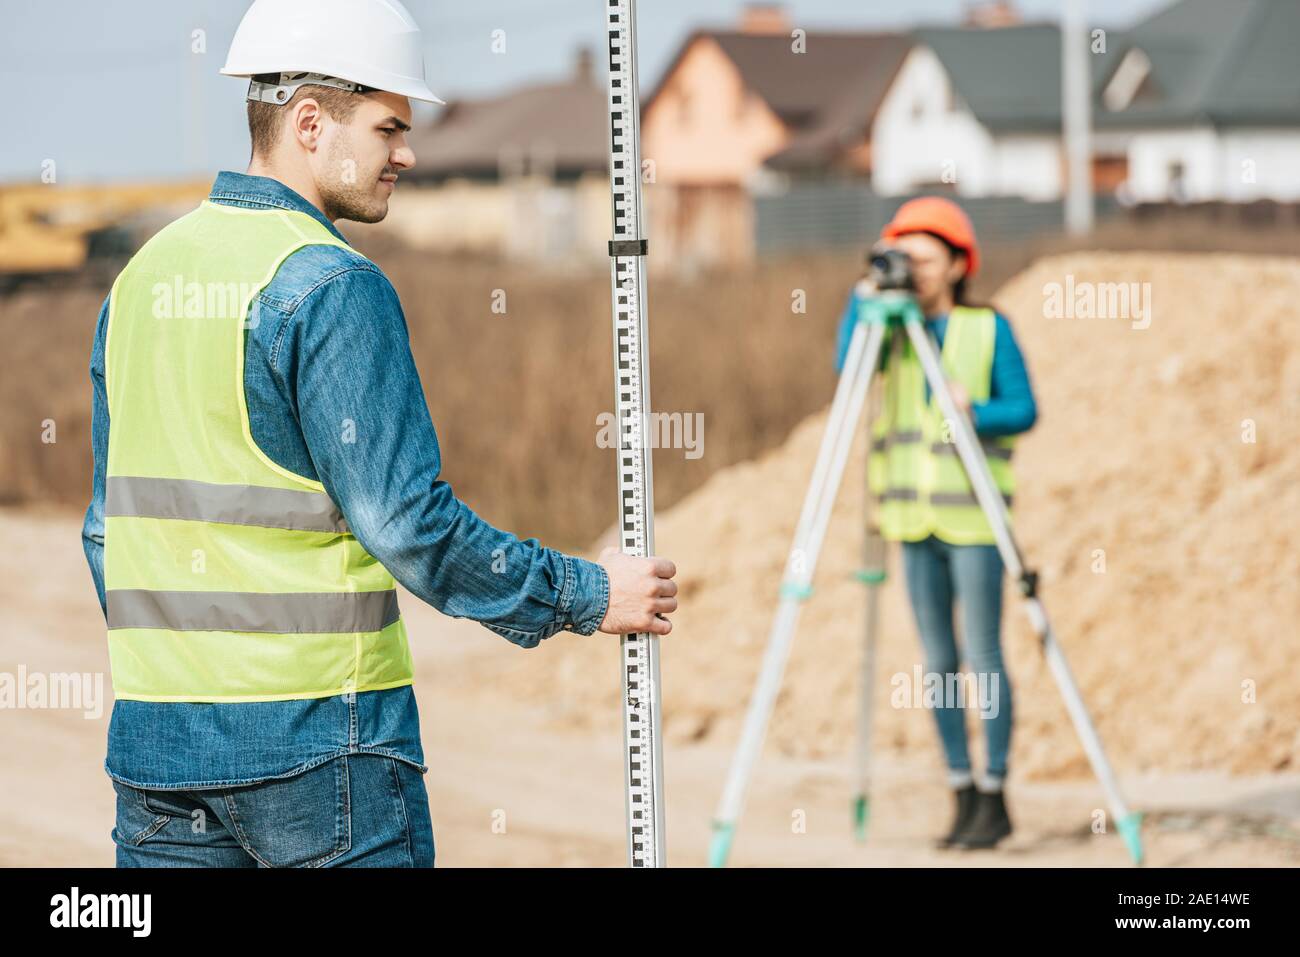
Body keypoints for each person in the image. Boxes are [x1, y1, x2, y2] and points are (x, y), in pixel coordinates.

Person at [81, 0, 677, 868]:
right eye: (389, 126)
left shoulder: (140, 281)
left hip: (158, 754)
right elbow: (408, 526)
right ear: (311, 123)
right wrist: (586, 594)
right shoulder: (328, 285)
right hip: (321, 744)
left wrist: (185, 677)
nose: (407, 153)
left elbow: (107, 529)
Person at [833, 197, 1037, 850]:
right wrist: (862, 299)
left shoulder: (987, 327)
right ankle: (960, 790)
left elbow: (1024, 407)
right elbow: (846, 369)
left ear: (956, 264)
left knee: (982, 654)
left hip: (974, 521)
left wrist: (973, 410)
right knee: (938, 661)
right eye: (902, 257)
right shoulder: (886, 328)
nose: (913, 270)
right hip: (910, 520)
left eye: (924, 258)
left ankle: (995, 792)